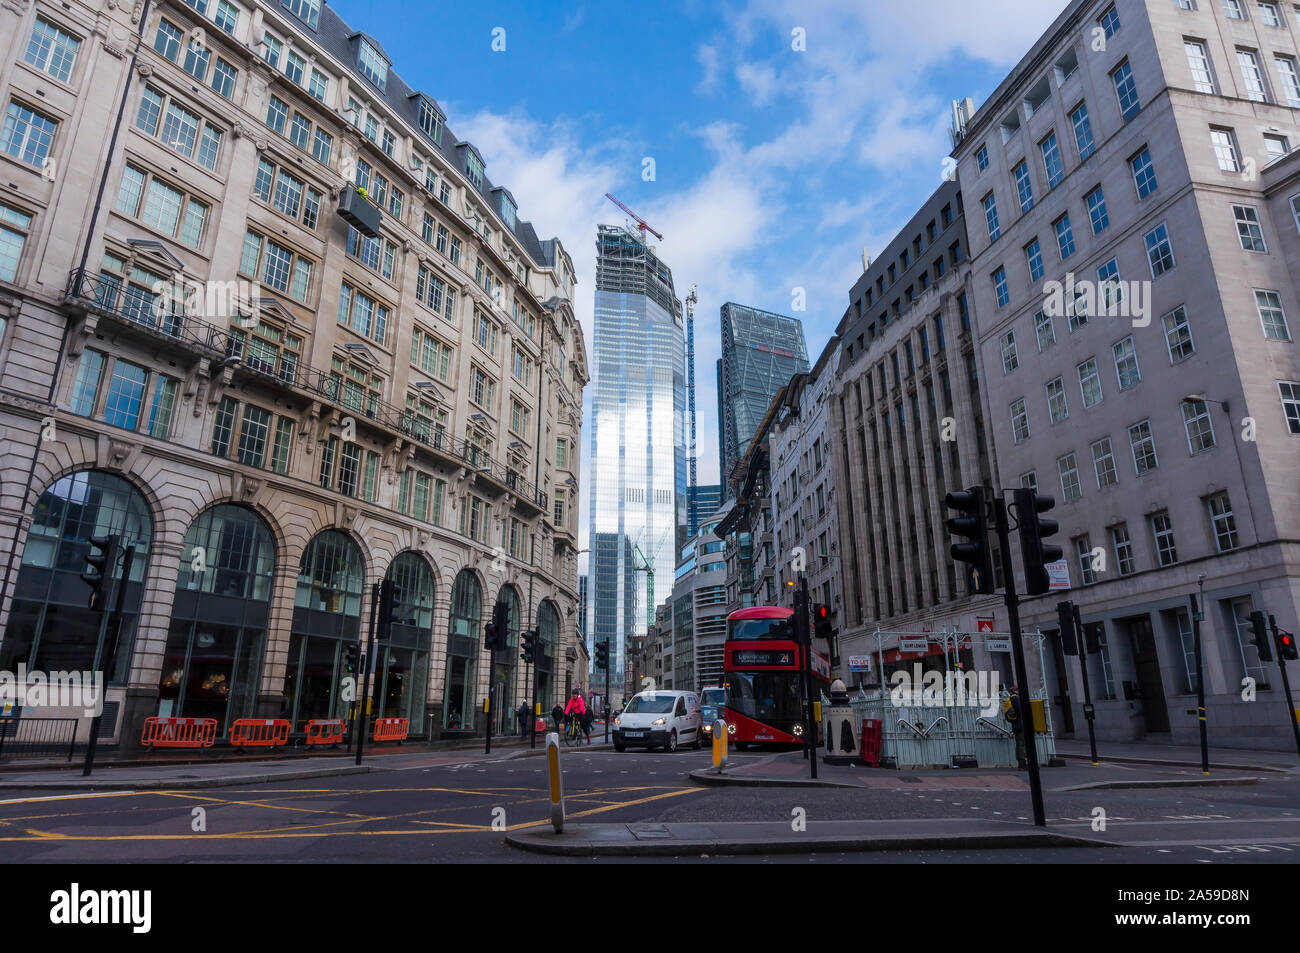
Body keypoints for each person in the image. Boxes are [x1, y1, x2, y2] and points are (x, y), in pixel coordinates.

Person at [1004, 684, 1027, 769]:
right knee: (1022, 744)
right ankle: (1022, 763)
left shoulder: (1010, 698)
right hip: (1020, 725)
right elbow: (1020, 711)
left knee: (1019, 744)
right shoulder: (1016, 698)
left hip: (1016, 725)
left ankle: (1021, 762)